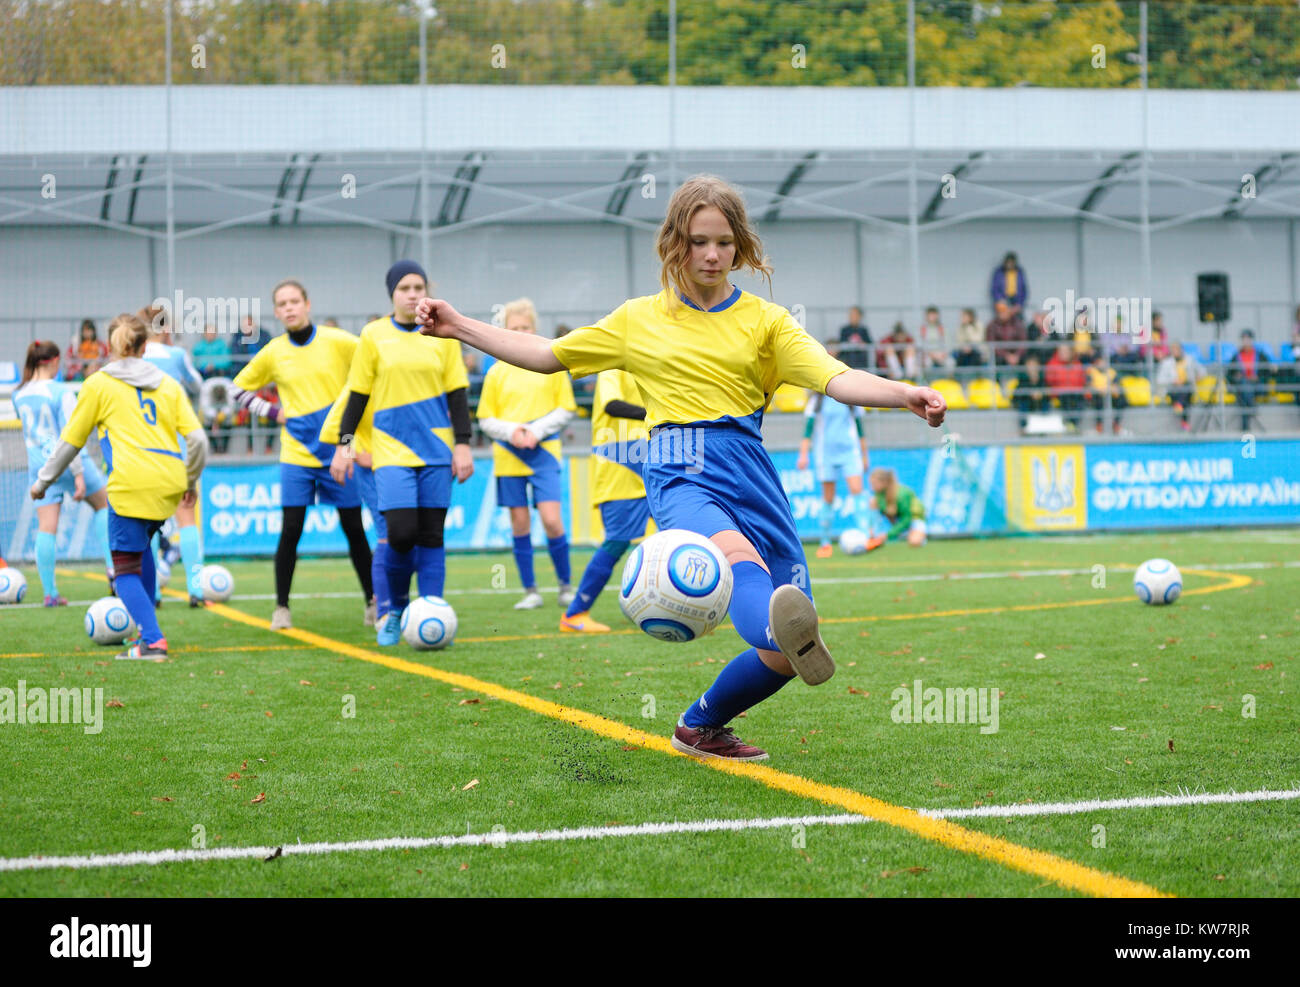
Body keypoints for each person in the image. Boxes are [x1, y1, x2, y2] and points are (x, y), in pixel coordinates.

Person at [414, 173, 946, 762]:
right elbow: (545, 355)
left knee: (787, 654)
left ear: (740, 245)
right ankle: (774, 627)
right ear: (675, 243)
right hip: (679, 464)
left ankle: (701, 725)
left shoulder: (767, 322)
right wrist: (458, 325)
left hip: (750, 466)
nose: (711, 254)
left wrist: (904, 392)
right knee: (744, 570)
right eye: (698, 242)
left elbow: (836, 378)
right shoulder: (638, 319)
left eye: (723, 242)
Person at [31, 313, 208, 660]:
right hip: (168, 482)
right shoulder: (168, 384)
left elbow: (70, 442)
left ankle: (153, 641)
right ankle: (146, 630)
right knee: (144, 551)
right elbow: (198, 440)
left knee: (124, 570)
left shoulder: (98, 384)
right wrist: (189, 479)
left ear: (109, 345)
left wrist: (43, 481)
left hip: (129, 484)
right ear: (144, 346)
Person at [331, 260, 475, 647]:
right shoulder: (373, 335)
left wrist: (463, 443)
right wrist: (345, 447)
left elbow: (457, 394)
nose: (412, 295)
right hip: (390, 451)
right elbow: (357, 395)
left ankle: (432, 614)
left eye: (418, 288)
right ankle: (393, 610)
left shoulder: (444, 334)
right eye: (404, 289)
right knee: (400, 534)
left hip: (437, 451)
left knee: (431, 536)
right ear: (392, 295)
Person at [229, 280, 373, 630]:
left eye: (295, 301)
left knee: (354, 527)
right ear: (276, 312)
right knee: (291, 529)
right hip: (296, 453)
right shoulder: (273, 351)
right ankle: (282, 608)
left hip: (339, 450)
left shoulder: (338, 341)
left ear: (307, 304)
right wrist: (273, 412)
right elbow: (236, 389)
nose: (289, 307)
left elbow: (372, 364)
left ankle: (373, 602)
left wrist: (355, 438)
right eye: (282, 304)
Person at [477, 298, 578, 611]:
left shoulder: (551, 366)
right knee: (519, 524)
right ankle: (530, 590)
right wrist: (513, 432)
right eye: (514, 328)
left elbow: (566, 409)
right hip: (509, 458)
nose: (521, 333)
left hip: (544, 453)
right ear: (505, 331)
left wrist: (536, 431)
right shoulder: (496, 373)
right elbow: (485, 419)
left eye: (526, 327)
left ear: (535, 329)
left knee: (552, 521)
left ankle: (565, 587)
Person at [13, 341, 115, 604]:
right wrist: (78, 474)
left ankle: (50, 593)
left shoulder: (18, 394)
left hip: (40, 468)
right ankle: (113, 570)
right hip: (68, 462)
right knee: (105, 505)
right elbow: (73, 435)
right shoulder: (62, 392)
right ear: (55, 362)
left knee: (46, 528)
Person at [559, 367, 652, 633]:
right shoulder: (613, 367)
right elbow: (612, 405)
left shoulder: (651, 362)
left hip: (653, 463)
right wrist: (657, 412)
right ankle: (575, 613)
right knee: (617, 542)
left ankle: (682, 606)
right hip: (620, 468)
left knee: (680, 534)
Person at [139, 304, 207, 606]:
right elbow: (197, 385)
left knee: (150, 525)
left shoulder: (133, 359)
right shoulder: (177, 355)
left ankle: (153, 592)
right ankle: (196, 590)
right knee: (186, 518)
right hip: (176, 450)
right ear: (166, 328)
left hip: (144, 451)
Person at [797, 388, 882, 558]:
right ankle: (825, 543)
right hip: (825, 454)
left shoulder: (851, 399)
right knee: (828, 498)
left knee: (857, 491)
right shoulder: (816, 401)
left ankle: (868, 536)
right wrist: (803, 454)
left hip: (850, 453)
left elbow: (860, 430)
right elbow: (808, 430)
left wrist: (865, 456)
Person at [868, 467, 927, 547]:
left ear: (884, 482)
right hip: (898, 521)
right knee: (873, 501)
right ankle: (875, 535)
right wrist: (871, 530)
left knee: (914, 542)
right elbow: (877, 515)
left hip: (914, 519)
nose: (871, 487)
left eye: (874, 484)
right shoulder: (878, 495)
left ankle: (916, 535)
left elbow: (907, 519)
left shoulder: (902, 494)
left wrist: (889, 534)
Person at [1226, 329, 1271, 431]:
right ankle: (1251, 408)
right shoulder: (1236, 356)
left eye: (1248, 339)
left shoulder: (1260, 355)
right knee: (1245, 384)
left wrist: (1258, 377)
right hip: (1242, 386)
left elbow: (1267, 372)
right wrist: (1235, 376)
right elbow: (1229, 374)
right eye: (1244, 339)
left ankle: (1245, 424)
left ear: (1252, 340)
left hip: (1257, 385)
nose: (1245, 341)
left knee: (1245, 389)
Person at [1156, 341, 1204, 431]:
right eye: (1173, 350)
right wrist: (1173, 381)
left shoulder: (1190, 360)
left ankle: (1178, 405)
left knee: (1186, 390)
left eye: (1177, 349)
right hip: (1172, 388)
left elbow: (1202, 372)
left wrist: (1196, 377)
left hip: (1187, 386)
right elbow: (1160, 379)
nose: (1175, 351)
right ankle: (1184, 421)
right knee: (1182, 395)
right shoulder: (1167, 363)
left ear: (1181, 350)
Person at [1045, 342, 1087, 431]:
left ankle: (1073, 424)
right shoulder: (1052, 363)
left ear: (1070, 352)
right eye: (1061, 351)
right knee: (1066, 398)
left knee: (1081, 400)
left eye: (1065, 351)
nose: (1063, 353)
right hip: (1059, 393)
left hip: (1074, 392)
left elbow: (1081, 381)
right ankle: (1069, 424)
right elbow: (1049, 381)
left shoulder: (1077, 364)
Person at [1087, 352, 1128, 434]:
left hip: (1109, 395)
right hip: (1097, 396)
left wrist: (1107, 390)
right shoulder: (1091, 371)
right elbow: (1090, 387)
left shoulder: (1111, 372)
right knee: (1098, 400)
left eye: (1103, 361)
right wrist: (1102, 390)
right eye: (1099, 361)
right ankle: (1099, 426)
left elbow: (1115, 387)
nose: (1102, 363)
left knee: (1122, 400)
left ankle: (1116, 424)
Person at [986, 300, 1027, 376]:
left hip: (1017, 355)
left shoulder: (1018, 323)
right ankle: (998, 382)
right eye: (999, 311)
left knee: (1027, 361)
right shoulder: (992, 325)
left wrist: (1017, 355)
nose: (1002, 313)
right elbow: (991, 344)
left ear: (1009, 310)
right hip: (1000, 356)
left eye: (1004, 310)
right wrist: (1007, 356)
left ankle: (1023, 382)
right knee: (996, 361)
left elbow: (1023, 342)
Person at [1011, 354, 1049, 431]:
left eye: (1034, 365)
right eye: (1030, 365)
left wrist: (1041, 394)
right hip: (1027, 403)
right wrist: (1029, 393)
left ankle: (1045, 426)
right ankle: (1024, 428)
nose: (1032, 368)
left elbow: (1047, 391)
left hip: (1040, 403)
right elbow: (1016, 395)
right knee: (1023, 405)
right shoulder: (1022, 379)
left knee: (1046, 405)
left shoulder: (1042, 378)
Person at [990, 252, 1027, 316]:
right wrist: (999, 300)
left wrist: (1020, 303)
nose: (1010, 264)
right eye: (1008, 262)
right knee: (1003, 317)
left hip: (1016, 300)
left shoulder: (1019, 272)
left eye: (1012, 262)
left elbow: (1024, 289)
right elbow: (995, 288)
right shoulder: (999, 272)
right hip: (1003, 299)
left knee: (1018, 318)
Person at [917, 306, 951, 377]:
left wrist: (943, 354)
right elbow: (920, 345)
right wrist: (931, 354)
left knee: (950, 362)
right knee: (927, 363)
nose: (932, 317)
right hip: (927, 354)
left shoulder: (942, 328)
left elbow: (948, 343)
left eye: (934, 315)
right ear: (926, 316)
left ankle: (948, 380)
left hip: (940, 354)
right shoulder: (923, 329)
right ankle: (927, 381)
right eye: (930, 315)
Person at [952, 306, 986, 377]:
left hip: (977, 350)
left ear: (970, 317)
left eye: (964, 316)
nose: (962, 318)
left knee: (975, 357)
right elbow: (958, 341)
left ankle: (975, 377)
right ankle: (958, 378)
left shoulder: (978, 325)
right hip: (964, 351)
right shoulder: (960, 327)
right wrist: (964, 347)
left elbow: (977, 339)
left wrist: (968, 327)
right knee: (959, 357)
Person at [838, 306, 872, 370]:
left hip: (861, 359)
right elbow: (841, 344)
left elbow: (870, 344)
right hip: (848, 358)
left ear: (860, 317)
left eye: (855, 315)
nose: (852, 317)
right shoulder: (844, 330)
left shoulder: (863, 330)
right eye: (851, 315)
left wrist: (862, 344)